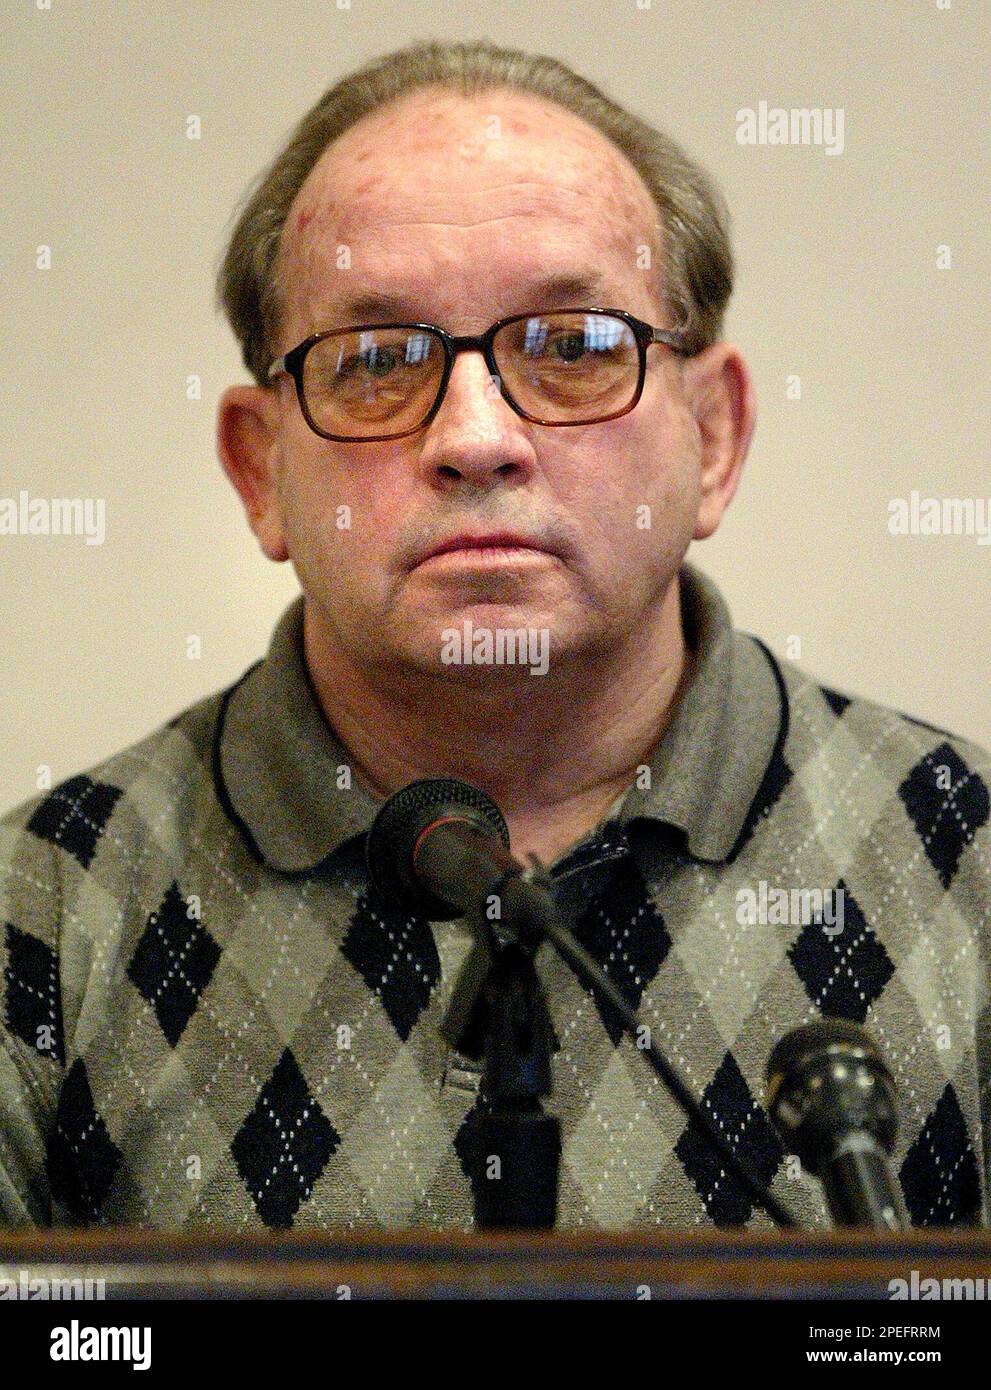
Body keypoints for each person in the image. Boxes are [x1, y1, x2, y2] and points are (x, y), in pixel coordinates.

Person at [1, 38, 988, 1232]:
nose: (475, 437)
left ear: (714, 438)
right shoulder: (38, 918)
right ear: (261, 469)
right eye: (376, 362)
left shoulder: (964, 864)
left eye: (570, 347)